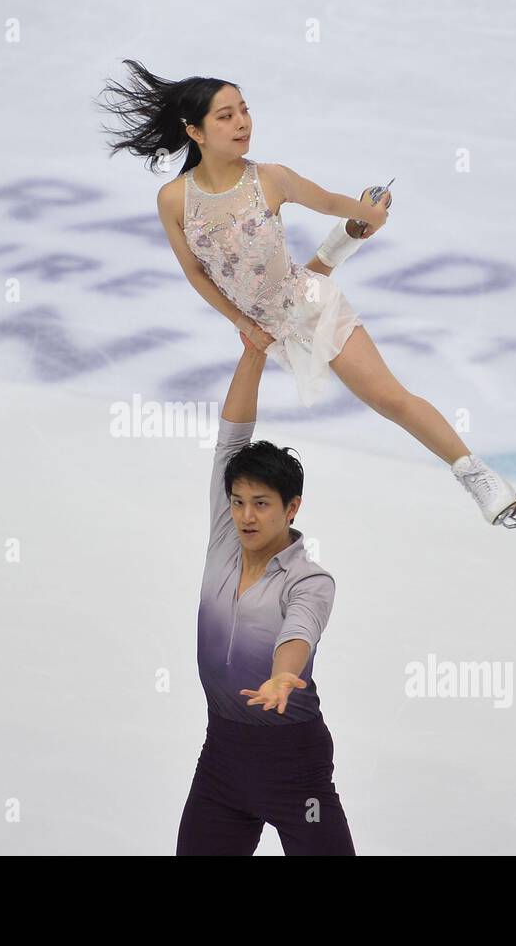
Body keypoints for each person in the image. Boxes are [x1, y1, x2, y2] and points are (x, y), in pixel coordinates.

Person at [95, 59, 516, 528]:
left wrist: (368, 214)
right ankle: (337, 248)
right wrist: (242, 323)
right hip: (264, 321)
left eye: (244, 109)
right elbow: (195, 274)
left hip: (309, 305)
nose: (242, 122)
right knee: (240, 418)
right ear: (195, 132)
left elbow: (333, 203)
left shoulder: (270, 178)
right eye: (225, 116)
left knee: (387, 398)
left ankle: (477, 476)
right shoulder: (174, 199)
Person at [174, 331, 355, 855]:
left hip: (293, 766)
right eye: (237, 501)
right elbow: (231, 438)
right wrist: (253, 350)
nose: (246, 516)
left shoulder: (310, 581)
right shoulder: (224, 538)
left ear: (292, 507)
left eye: (261, 504)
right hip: (222, 761)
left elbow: (299, 633)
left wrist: (282, 676)